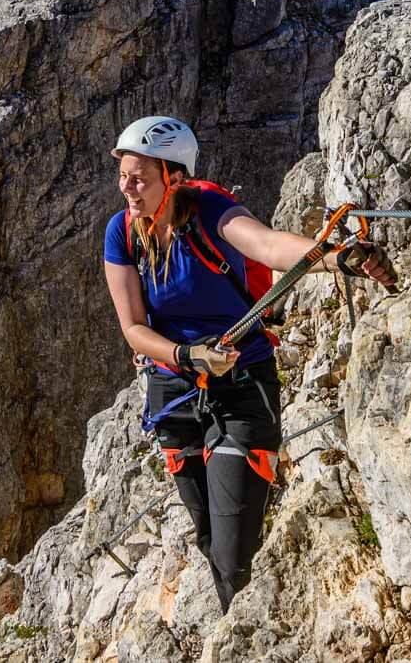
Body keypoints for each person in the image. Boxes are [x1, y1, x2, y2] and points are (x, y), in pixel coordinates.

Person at [101, 115, 395, 611]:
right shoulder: (122, 233)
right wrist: (185, 355)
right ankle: (232, 619)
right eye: (124, 176)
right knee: (207, 535)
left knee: (234, 548)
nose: (127, 188)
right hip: (175, 393)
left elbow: (268, 245)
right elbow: (133, 327)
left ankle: (238, 627)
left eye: (139, 178)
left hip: (240, 387)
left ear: (173, 177)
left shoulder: (210, 210)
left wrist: (337, 256)